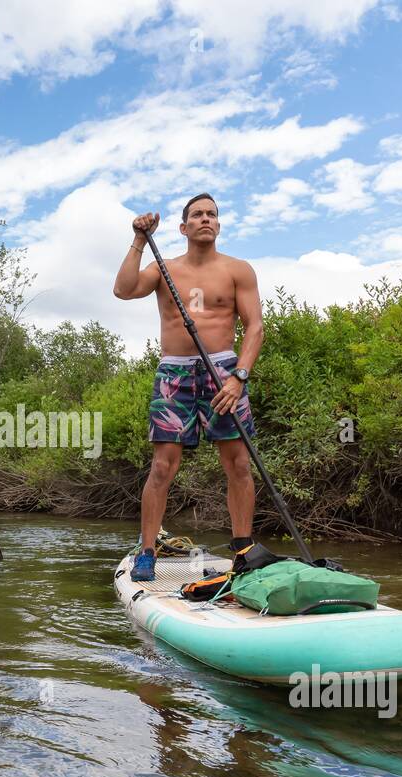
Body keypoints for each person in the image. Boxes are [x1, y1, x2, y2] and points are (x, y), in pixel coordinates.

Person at [113, 193, 264, 581]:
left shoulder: (238, 270)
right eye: (197, 214)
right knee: (163, 465)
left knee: (239, 464)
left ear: (219, 224)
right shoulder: (164, 268)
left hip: (224, 372)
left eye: (212, 214)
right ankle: (147, 551)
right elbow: (124, 290)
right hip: (174, 375)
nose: (205, 219)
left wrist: (239, 377)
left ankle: (243, 551)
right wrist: (139, 241)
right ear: (183, 227)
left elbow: (255, 328)